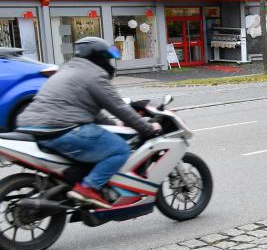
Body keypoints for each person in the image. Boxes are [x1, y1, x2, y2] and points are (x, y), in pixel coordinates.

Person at [17, 37, 160, 209]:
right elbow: (119, 107)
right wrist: (148, 128)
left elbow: (89, 109)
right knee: (120, 149)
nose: (109, 62)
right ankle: (88, 188)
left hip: (33, 126)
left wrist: (113, 124)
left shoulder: (67, 70)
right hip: (61, 128)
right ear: (98, 57)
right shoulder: (95, 75)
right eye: (107, 57)